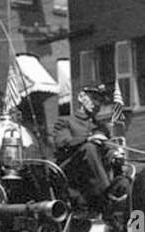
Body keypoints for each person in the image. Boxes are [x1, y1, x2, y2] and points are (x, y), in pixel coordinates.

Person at [51, 85, 130, 215]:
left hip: (95, 172)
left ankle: (136, 228)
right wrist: (88, 138)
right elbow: (62, 143)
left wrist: (115, 155)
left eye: (100, 100)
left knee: (126, 178)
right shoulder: (65, 121)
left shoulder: (102, 128)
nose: (97, 104)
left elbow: (107, 149)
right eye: (93, 98)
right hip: (70, 173)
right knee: (89, 148)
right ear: (81, 97)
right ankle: (106, 195)